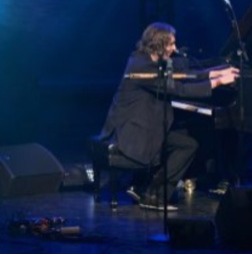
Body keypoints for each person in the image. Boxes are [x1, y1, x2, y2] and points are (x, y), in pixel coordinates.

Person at [99, 22, 239, 210]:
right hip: (133, 133)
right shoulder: (141, 66)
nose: (174, 48)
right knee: (186, 145)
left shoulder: (153, 60)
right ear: (158, 44)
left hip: (148, 126)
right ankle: (154, 195)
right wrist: (219, 82)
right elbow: (177, 89)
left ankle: (154, 192)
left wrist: (217, 72)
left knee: (188, 145)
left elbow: (185, 75)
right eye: (170, 44)